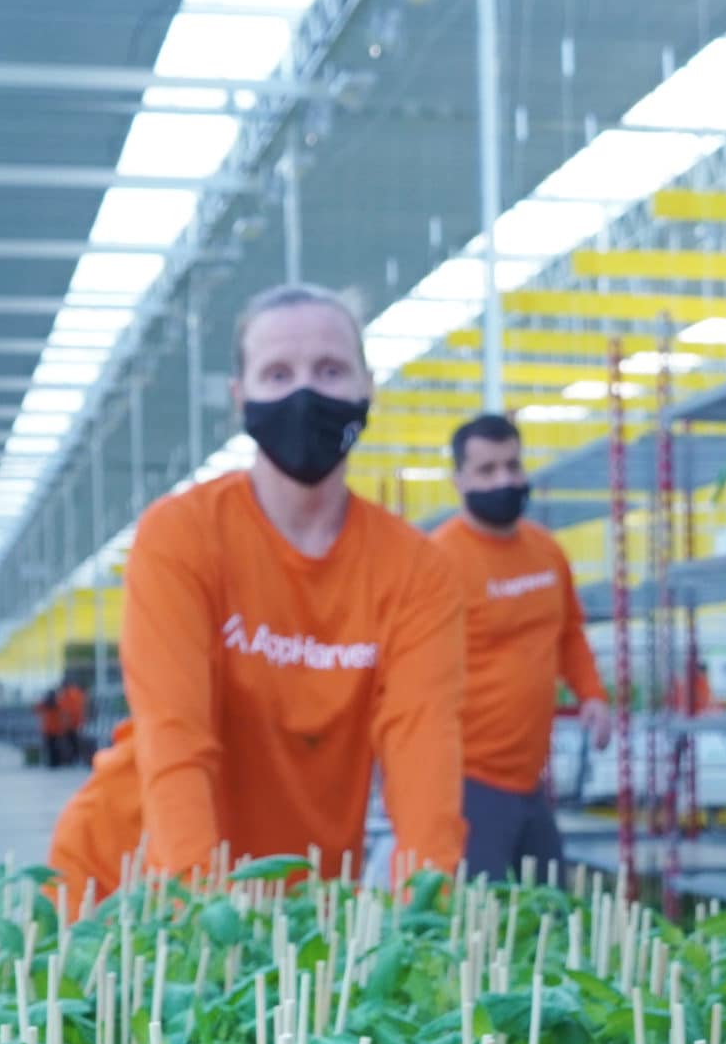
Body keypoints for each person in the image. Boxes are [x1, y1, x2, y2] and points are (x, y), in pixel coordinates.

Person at [46, 283, 464, 899]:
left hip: (302, 887)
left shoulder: (416, 571)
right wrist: (200, 916)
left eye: (330, 369)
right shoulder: (181, 536)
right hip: (130, 880)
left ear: (365, 387)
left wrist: (429, 915)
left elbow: (424, 753)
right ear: (241, 399)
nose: (305, 393)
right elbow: (176, 739)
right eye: (277, 373)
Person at [430, 413, 610, 880]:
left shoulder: (547, 552)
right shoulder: (439, 562)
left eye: (513, 466)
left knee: (545, 913)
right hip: (467, 782)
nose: (504, 480)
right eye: (487, 470)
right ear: (459, 480)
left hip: (530, 780)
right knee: (481, 925)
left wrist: (592, 694)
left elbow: (568, 631)